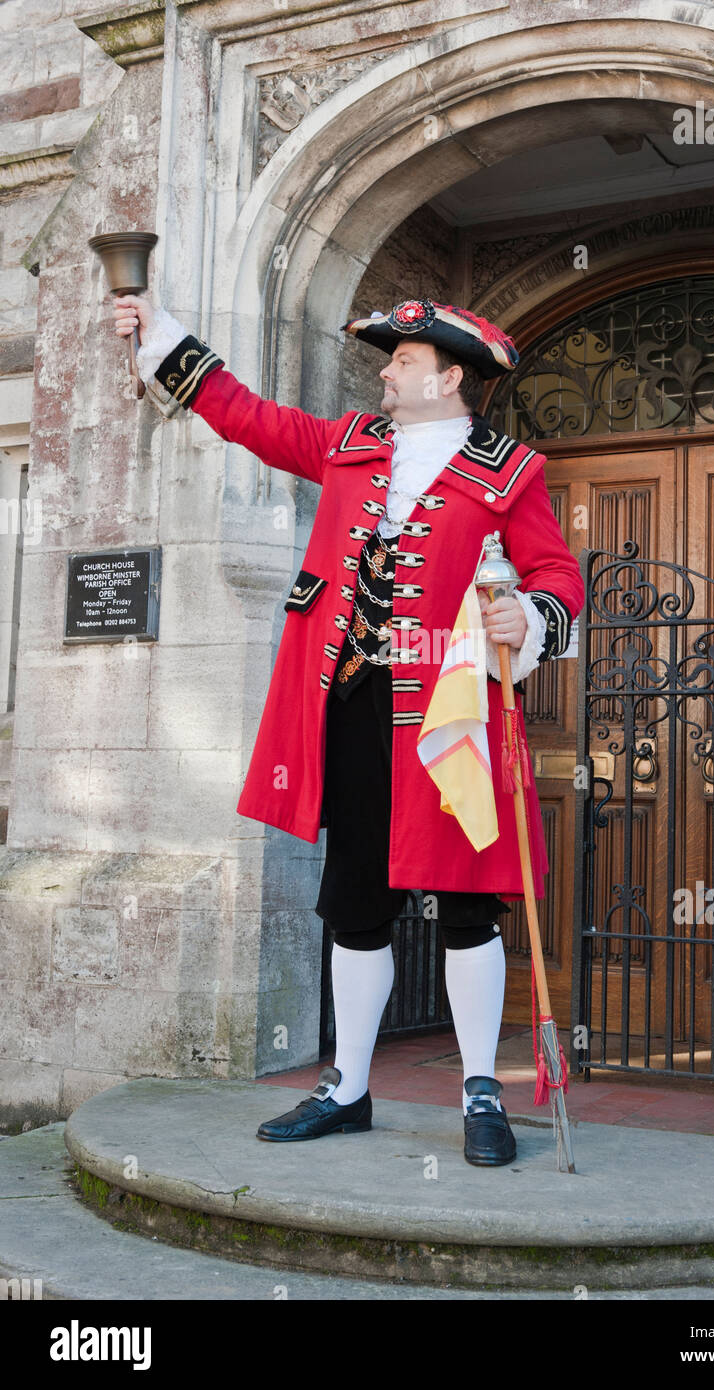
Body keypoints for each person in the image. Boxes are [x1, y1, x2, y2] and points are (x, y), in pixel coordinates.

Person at [112, 291, 584, 1166]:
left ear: (449, 377)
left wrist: (534, 612)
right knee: (356, 903)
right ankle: (348, 1087)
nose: (385, 371)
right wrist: (161, 339)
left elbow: (554, 569)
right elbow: (251, 420)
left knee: (467, 907)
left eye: (402, 361)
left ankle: (482, 1091)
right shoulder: (349, 445)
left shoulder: (508, 470)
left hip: (450, 715)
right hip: (356, 706)